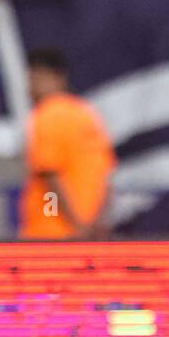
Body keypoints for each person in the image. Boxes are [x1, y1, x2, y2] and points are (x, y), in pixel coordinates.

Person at [20, 48, 117, 240]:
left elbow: (50, 178)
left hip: (52, 232)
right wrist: (98, 222)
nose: (31, 87)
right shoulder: (88, 114)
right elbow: (105, 179)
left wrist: (72, 223)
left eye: (36, 78)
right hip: (90, 230)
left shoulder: (46, 115)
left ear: (57, 78)